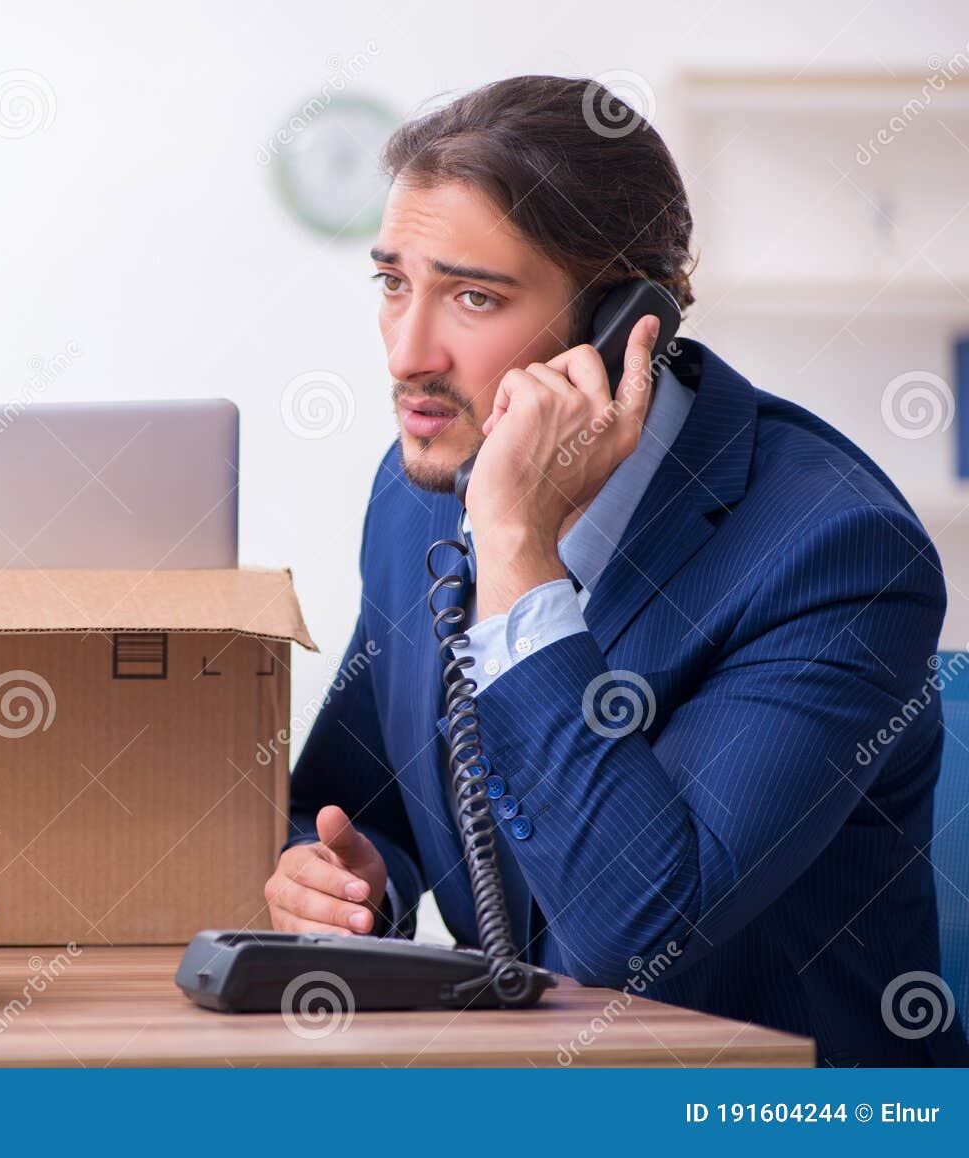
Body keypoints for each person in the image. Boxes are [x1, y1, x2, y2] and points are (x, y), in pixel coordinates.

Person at [265, 74, 968, 1067]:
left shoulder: (835, 553)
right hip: (533, 1096)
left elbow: (633, 935)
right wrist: (339, 873)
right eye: (392, 284)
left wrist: (515, 548)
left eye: (472, 296)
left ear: (625, 323)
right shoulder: (421, 485)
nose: (407, 352)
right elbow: (358, 790)